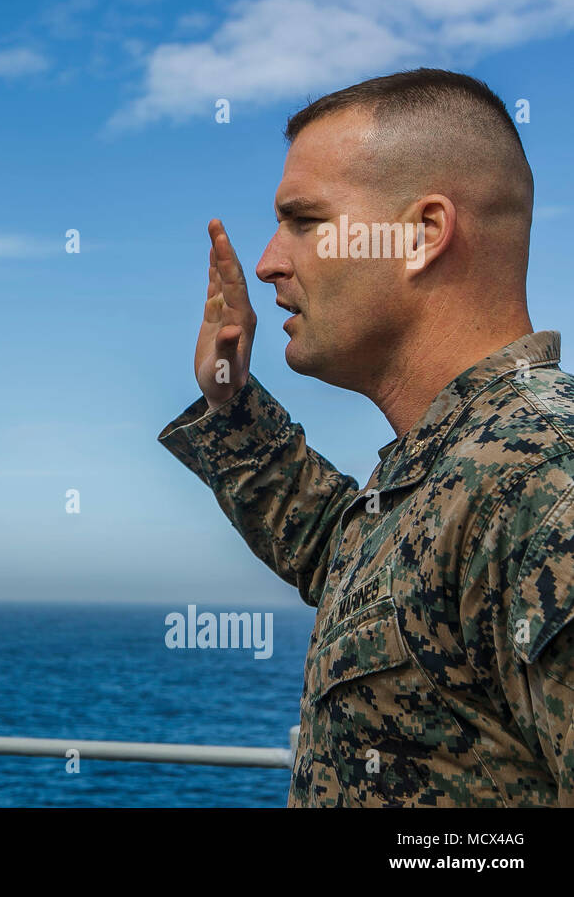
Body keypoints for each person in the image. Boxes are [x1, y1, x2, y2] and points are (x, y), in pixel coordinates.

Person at [158, 68, 574, 806]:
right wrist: (228, 401)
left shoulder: (544, 484)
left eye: (305, 220)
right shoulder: (456, 472)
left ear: (423, 234)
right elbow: (345, 555)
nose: (268, 263)